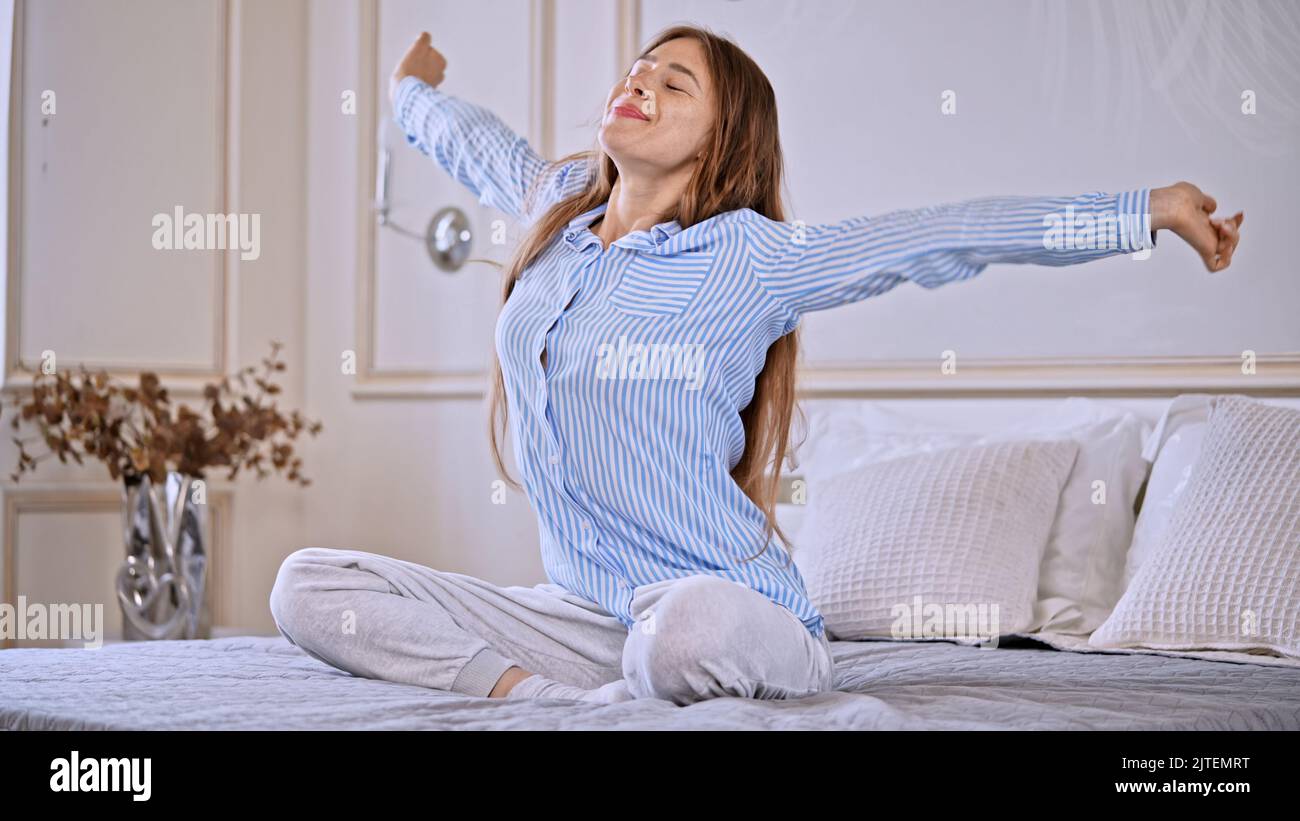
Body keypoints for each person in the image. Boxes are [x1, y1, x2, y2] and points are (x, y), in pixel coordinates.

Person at [269, 25, 1243, 707]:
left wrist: (1140, 210)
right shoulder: (555, 204)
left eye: (673, 82)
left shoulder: (748, 256)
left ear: (721, 138)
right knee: (309, 585)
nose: (639, 80)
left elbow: (939, 236)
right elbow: (467, 140)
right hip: (576, 618)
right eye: (640, 66)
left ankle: (633, 684)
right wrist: (409, 92)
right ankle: (546, 700)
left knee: (681, 636)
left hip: (730, 613)